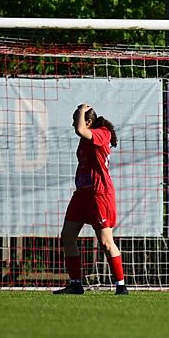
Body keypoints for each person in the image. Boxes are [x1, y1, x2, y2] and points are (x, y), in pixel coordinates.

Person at [54, 103, 128, 295]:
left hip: (100, 194)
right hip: (82, 194)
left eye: (75, 119)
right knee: (68, 236)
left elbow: (79, 129)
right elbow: (80, 131)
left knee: (105, 242)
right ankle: (76, 284)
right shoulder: (85, 138)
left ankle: (121, 286)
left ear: (88, 121)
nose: (73, 124)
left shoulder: (102, 132)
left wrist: (80, 111)